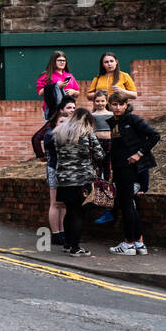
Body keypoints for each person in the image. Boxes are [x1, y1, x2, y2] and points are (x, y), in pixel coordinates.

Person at [108, 90, 158, 255]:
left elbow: (154, 136)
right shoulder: (114, 123)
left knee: (127, 205)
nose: (117, 107)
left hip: (132, 170)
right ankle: (139, 243)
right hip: (120, 170)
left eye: (120, 104)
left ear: (126, 106)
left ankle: (129, 243)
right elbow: (116, 148)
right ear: (110, 105)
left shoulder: (132, 119)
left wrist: (138, 154)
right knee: (130, 205)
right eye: (114, 104)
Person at [53, 110, 104, 257]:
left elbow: (57, 154)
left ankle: (68, 244)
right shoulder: (87, 134)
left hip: (63, 178)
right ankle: (75, 248)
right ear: (86, 120)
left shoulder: (58, 133)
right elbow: (99, 155)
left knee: (69, 211)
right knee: (78, 213)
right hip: (81, 179)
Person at [43, 100, 77, 246]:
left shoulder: (69, 134)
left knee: (64, 204)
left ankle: (63, 232)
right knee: (55, 203)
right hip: (54, 169)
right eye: (61, 122)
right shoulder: (50, 134)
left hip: (67, 171)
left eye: (66, 122)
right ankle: (56, 234)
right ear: (55, 122)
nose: (63, 125)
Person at [89, 90, 116, 224]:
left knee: (108, 167)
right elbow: (91, 130)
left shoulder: (111, 114)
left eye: (102, 101)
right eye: (97, 101)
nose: (100, 103)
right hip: (98, 144)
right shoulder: (92, 115)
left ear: (107, 101)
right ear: (94, 102)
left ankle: (109, 185)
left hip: (110, 143)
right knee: (99, 167)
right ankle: (100, 187)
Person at [35, 50, 80, 119]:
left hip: (68, 110)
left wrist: (73, 92)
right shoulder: (46, 75)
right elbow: (40, 93)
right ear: (53, 62)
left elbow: (77, 93)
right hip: (52, 110)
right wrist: (55, 86)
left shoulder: (69, 75)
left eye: (64, 60)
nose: (62, 62)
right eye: (59, 60)